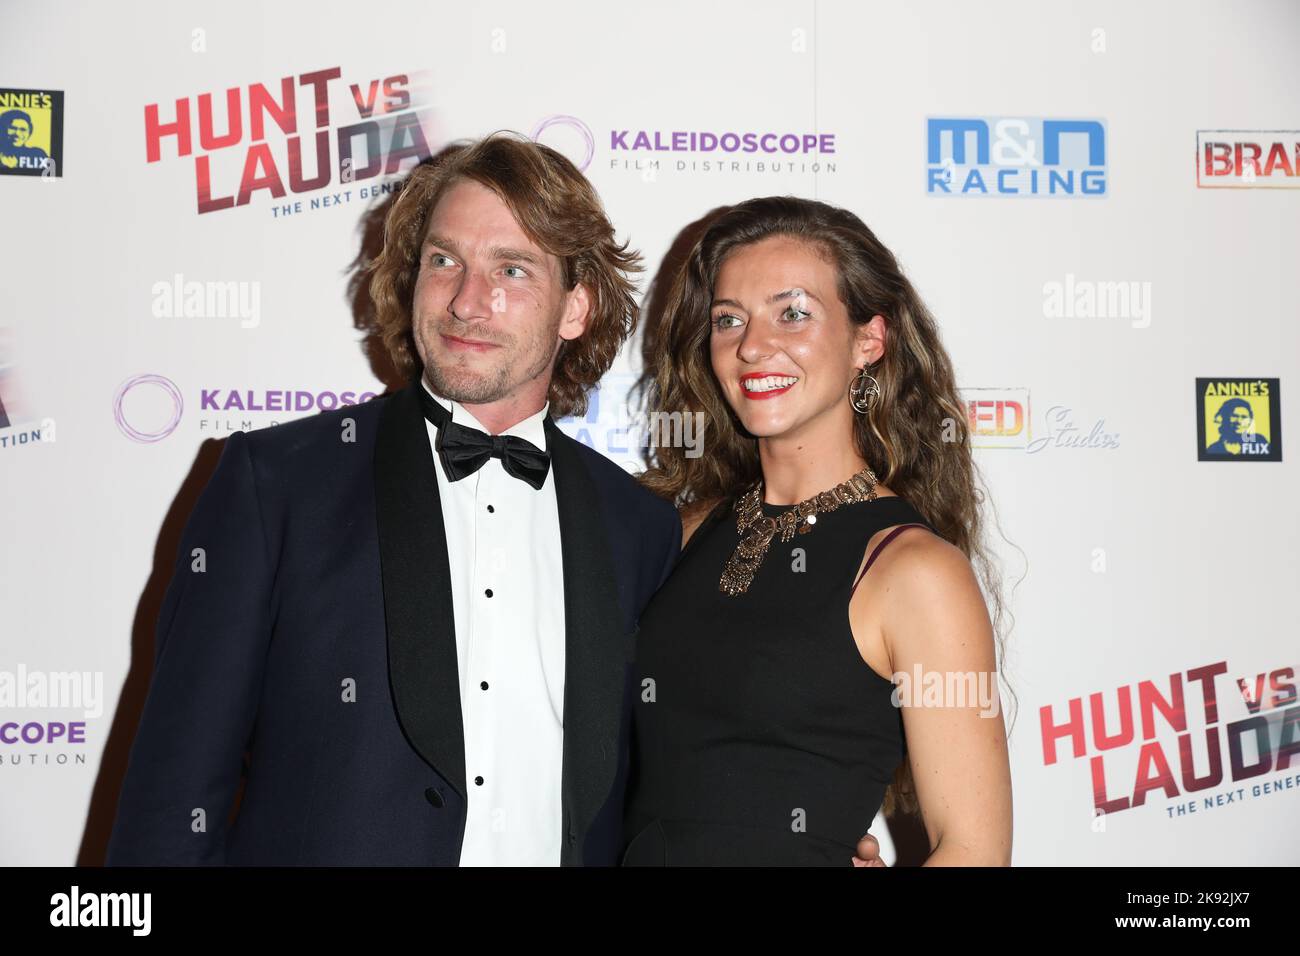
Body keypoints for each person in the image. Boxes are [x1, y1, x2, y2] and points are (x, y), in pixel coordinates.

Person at [106, 132, 682, 866]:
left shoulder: (640, 527)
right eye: (445, 261)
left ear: (576, 309)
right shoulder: (276, 486)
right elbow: (173, 796)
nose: (469, 301)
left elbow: (666, 785)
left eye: (512, 268)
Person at [625, 196, 1014, 865]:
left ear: (870, 339)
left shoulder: (912, 572)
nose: (752, 345)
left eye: (793, 312)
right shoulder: (680, 533)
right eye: (729, 319)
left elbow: (972, 850)